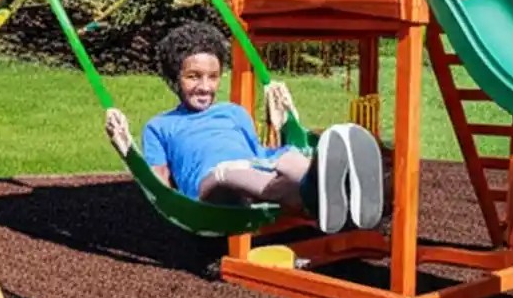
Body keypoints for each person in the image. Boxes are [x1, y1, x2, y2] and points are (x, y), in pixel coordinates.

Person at [114, 22, 385, 234]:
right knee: (230, 172)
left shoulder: (233, 112)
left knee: (289, 158)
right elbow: (158, 185)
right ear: (175, 78)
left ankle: (338, 188)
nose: (205, 86)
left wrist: (284, 122)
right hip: (209, 191)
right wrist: (129, 153)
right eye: (193, 77)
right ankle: (318, 194)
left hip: (252, 170)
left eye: (213, 77)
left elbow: (257, 153)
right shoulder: (160, 126)